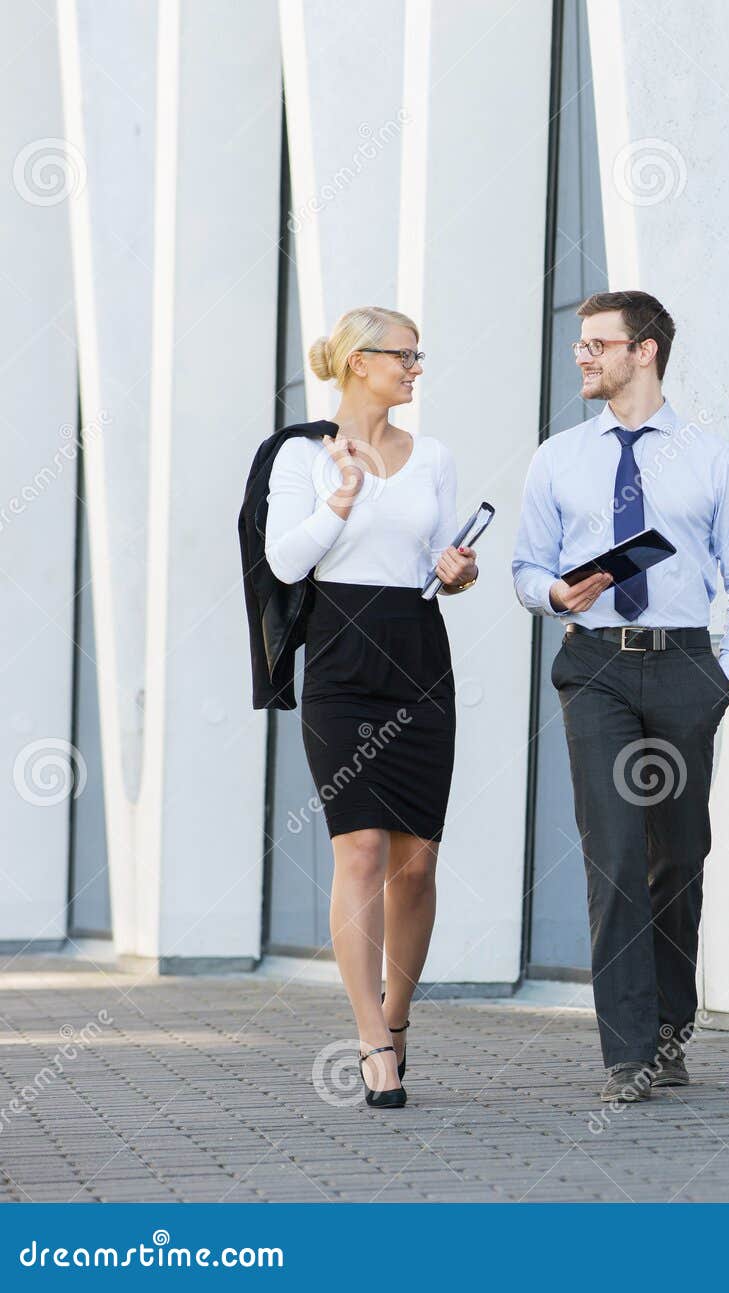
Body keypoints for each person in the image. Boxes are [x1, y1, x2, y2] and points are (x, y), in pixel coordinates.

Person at [512, 290, 729, 1102]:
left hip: (687, 668)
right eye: (582, 345)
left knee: (679, 856)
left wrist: (726, 674)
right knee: (615, 853)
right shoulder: (558, 457)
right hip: (595, 669)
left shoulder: (712, 459)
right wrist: (557, 596)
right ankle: (627, 1052)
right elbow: (525, 568)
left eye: (598, 344)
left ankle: (668, 1027)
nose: (583, 357)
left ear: (645, 350)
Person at [261, 306, 479, 1110]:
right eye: (405, 355)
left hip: (418, 652)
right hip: (343, 662)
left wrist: (458, 572)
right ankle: (371, 1041)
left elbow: (438, 566)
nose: (416, 367)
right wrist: (342, 498)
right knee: (358, 847)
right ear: (360, 362)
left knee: (415, 861)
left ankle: (398, 1014)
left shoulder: (435, 457)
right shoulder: (300, 456)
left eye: (419, 355)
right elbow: (285, 561)